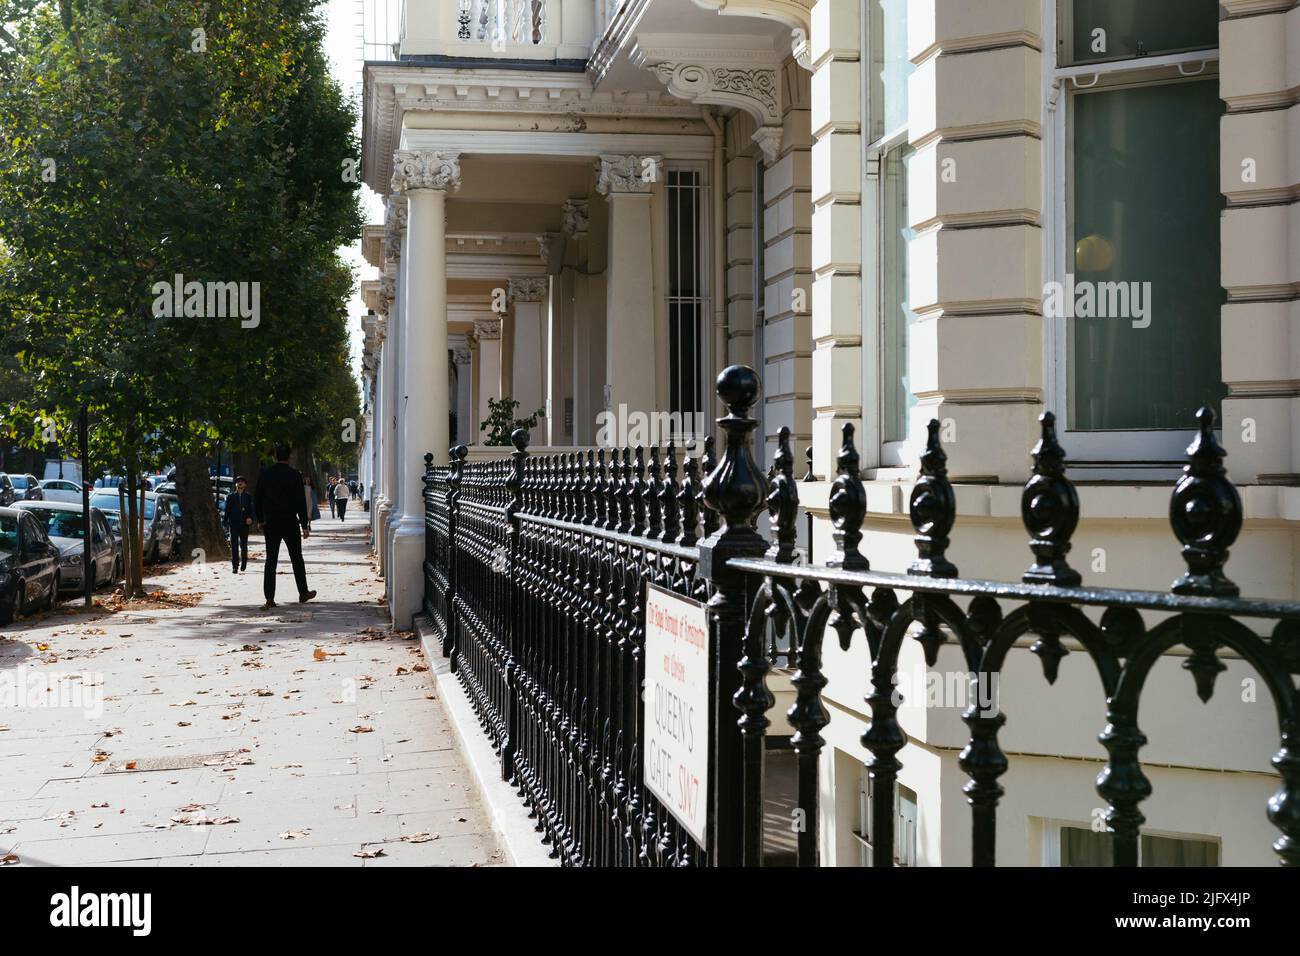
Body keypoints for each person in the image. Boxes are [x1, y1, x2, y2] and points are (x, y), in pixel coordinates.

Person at [254, 444, 316, 610]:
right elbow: (300, 501)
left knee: (271, 560)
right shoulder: (295, 475)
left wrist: (260, 519)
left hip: (271, 522)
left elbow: (257, 498)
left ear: (275, 456)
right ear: (288, 457)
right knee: (297, 558)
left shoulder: (265, 474)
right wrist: (304, 524)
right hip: (290, 521)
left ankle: (269, 597)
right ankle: (303, 592)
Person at [223, 475, 254, 574]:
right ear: (235, 485)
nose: (240, 483)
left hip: (244, 524)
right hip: (234, 524)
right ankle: (235, 566)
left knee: (243, 545)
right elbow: (227, 510)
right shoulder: (231, 496)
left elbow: (252, 510)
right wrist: (225, 521)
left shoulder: (248, 497)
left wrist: (250, 518)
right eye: (238, 482)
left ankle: (244, 562)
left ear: (245, 485)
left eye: (242, 482)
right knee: (234, 546)